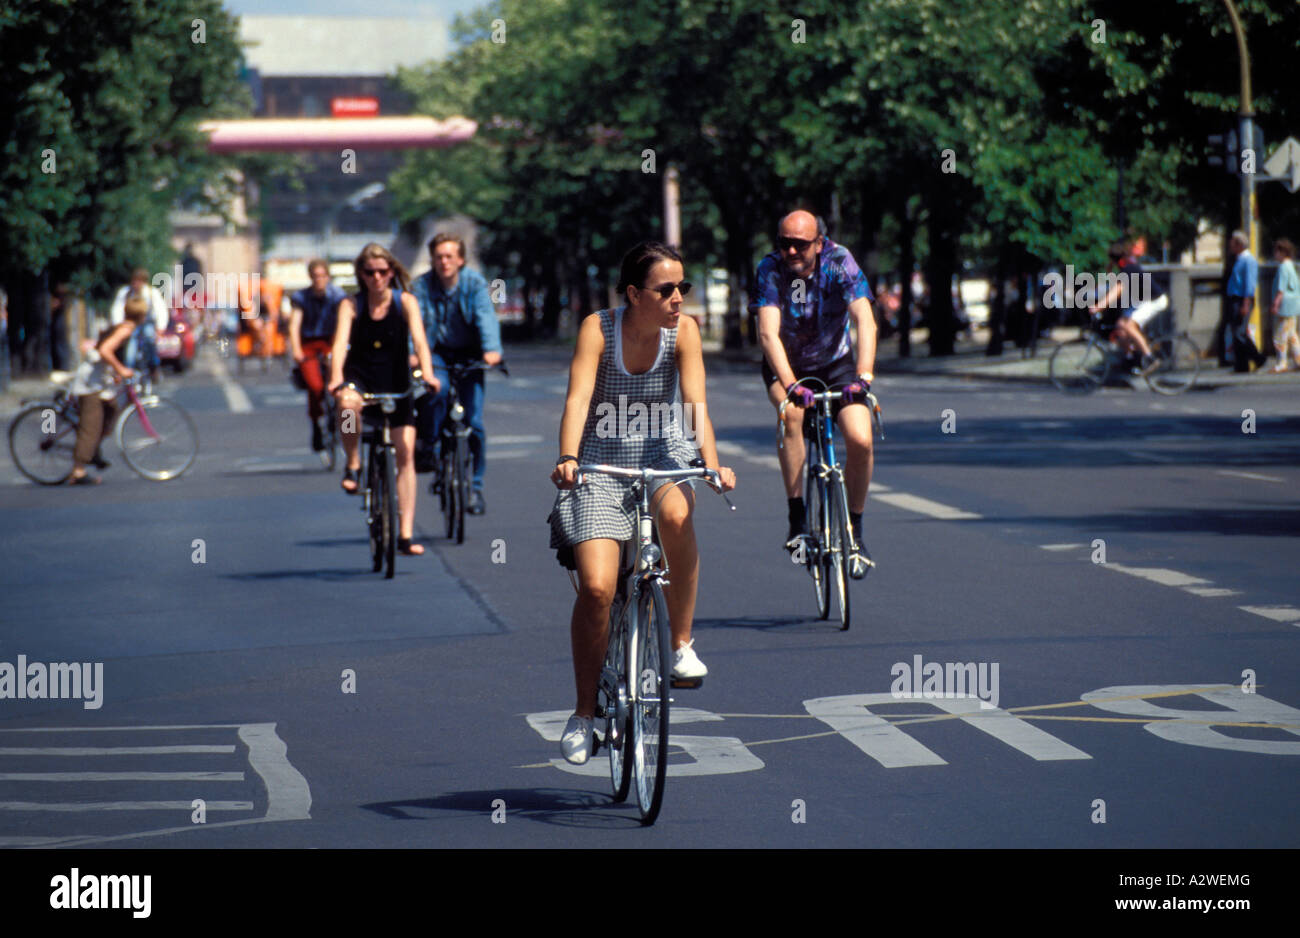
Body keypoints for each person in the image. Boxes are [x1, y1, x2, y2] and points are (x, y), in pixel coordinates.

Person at [548, 241, 736, 765]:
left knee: (677, 512)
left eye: (684, 288)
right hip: (600, 459)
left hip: (662, 447)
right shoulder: (597, 329)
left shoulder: (685, 332)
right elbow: (578, 399)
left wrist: (712, 463)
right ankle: (584, 713)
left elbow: (696, 405)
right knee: (598, 588)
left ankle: (679, 644)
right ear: (634, 293)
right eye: (666, 289)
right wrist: (567, 456)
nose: (678, 298)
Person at [752, 210, 877, 577]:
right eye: (784, 243)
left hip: (836, 365)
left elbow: (864, 320)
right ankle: (797, 520)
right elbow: (767, 334)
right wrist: (791, 385)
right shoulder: (770, 269)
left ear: (819, 243)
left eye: (800, 244)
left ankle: (854, 531)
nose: (791, 251)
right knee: (791, 414)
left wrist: (864, 376)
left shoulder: (839, 262)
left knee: (860, 438)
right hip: (785, 366)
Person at [329, 244, 438, 556]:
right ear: (361, 275)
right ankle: (352, 463)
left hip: (396, 379)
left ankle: (405, 535)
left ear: (391, 272)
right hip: (359, 377)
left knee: (405, 454)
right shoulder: (351, 305)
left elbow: (419, 340)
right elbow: (339, 344)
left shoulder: (406, 302)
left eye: (382, 271)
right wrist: (336, 378)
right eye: (369, 272)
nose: (376, 278)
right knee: (348, 408)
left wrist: (428, 374)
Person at [411, 234, 503, 515]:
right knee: (436, 391)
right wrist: (413, 352)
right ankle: (432, 447)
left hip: (470, 353)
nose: (444, 262)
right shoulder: (421, 286)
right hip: (435, 352)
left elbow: (485, 315)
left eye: (449, 256)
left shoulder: (474, 283)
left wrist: (491, 350)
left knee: (474, 423)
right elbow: (414, 323)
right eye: (439, 257)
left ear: (460, 260)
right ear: (432, 260)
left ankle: (474, 488)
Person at [66, 296, 148, 484]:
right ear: (142, 315)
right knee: (91, 426)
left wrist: (114, 371)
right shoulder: (125, 330)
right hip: (90, 383)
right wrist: (121, 369)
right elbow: (105, 350)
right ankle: (78, 471)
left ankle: (92, 450)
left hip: (100, 379)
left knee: (110, 411)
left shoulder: (124, 327)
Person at [289, 259, 347, 450]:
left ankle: (340, 422)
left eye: (322, 276)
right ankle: (316, 423)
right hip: (310, 344)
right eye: (315, 277)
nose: (319, 280)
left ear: (328, 277)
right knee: (314, 386)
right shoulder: (302, 298)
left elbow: (343, 322)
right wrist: (296, 349)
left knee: (341, 386)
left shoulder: (338, 296)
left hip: (332, 342)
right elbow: (294, 324)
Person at [1089, 235, 1165, 373]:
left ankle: (1150, 358)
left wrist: (1099, 306)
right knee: (1120, 326)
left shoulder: (1129, 269)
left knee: (1129, 326)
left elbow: (1116, 291)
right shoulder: (1126, 266)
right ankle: (1131, 358)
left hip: (1155, 300)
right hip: (1142, 301)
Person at [108, 268, 169, 378]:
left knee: (150, 337)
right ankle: (128, 368)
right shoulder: (125, 293)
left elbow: (161, 310)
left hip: (147, 323)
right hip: (130, 324)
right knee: (130, 344)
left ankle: (153, 365)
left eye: (140, 281)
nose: (136, 284)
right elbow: (117, 308)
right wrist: (118, 323)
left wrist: (160, 327)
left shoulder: (151, 293)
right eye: (135, 281)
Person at [1226, 230, 1267, 372]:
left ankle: (1258, 358)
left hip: (1242, 299)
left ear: (1239, 244)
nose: (1230, 245)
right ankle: (1241, 365)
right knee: (1236, 332)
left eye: (1233, 242)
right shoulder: (1239, 259)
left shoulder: (1248, 260)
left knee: (1240, 333)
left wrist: (1245, 304)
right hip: (1234, 299)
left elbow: (1249, 284)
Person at [1269, 238, 1300, 373]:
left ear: (1282, 252)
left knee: (1280, 336)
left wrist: (1275, 304)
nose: (1275, 254)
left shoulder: (1283, 267)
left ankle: (1282, 363)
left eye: (1276, 251)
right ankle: (1298, 360)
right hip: (1294, 305)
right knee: (1292, 335)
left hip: (1285, 306)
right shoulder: (1291, 266)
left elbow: (1281, 289)